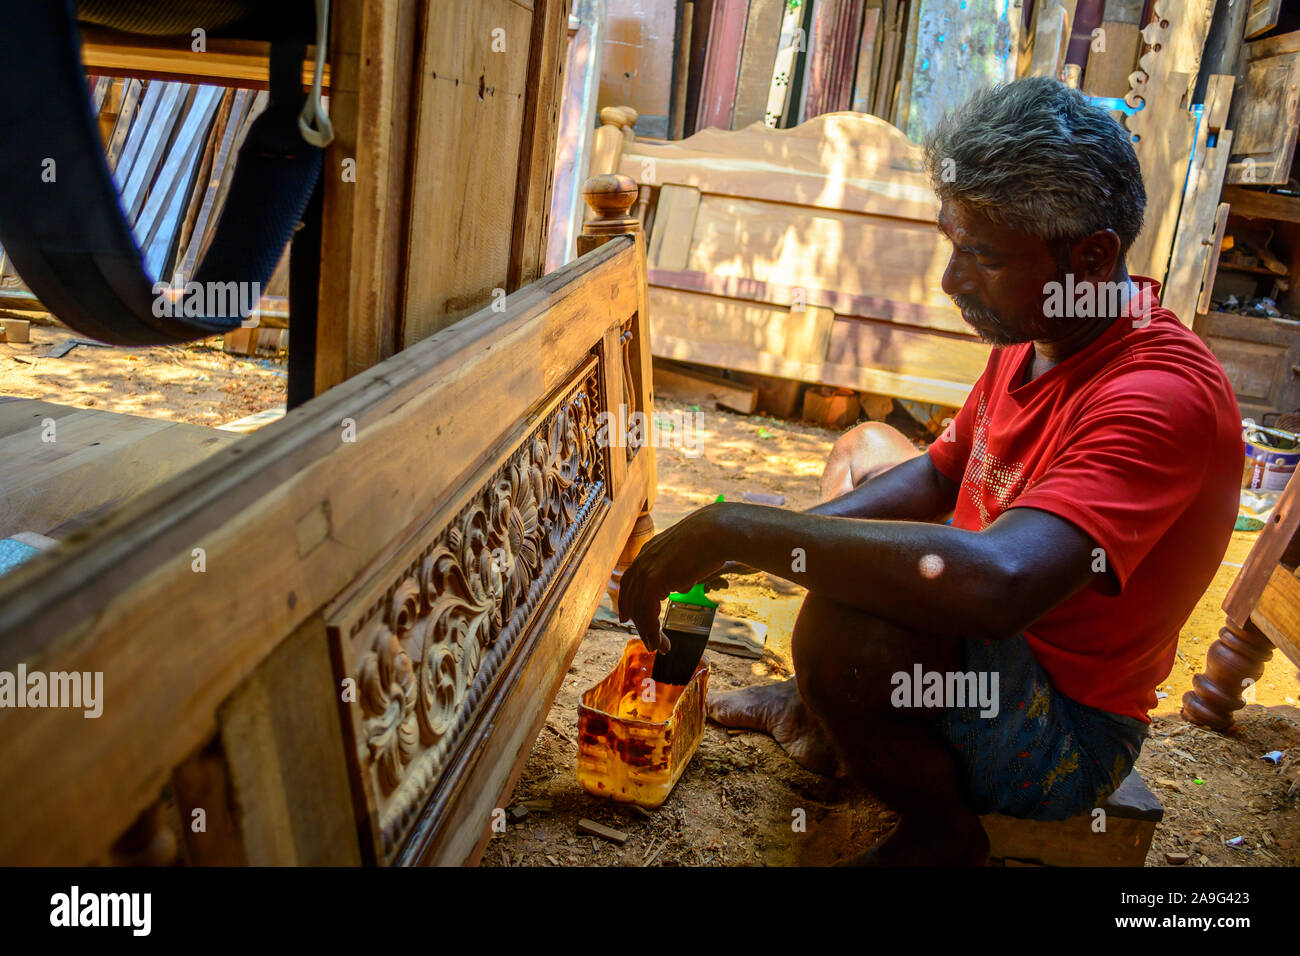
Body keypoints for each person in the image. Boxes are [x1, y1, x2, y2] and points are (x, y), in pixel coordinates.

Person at [617, 77, 1244, 865]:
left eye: (980, 256)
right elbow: (943, 473)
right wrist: (766, 544)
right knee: (868, 449)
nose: (952, 280)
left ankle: (941, 836)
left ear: (1091, 256)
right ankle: (821, 710)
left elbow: (999, 586)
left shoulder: (1158, 398)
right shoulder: (1046, 329)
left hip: (1058, 729)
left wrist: (744, 528)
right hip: (994, 648)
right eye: (955, 245)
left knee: (847, 628)